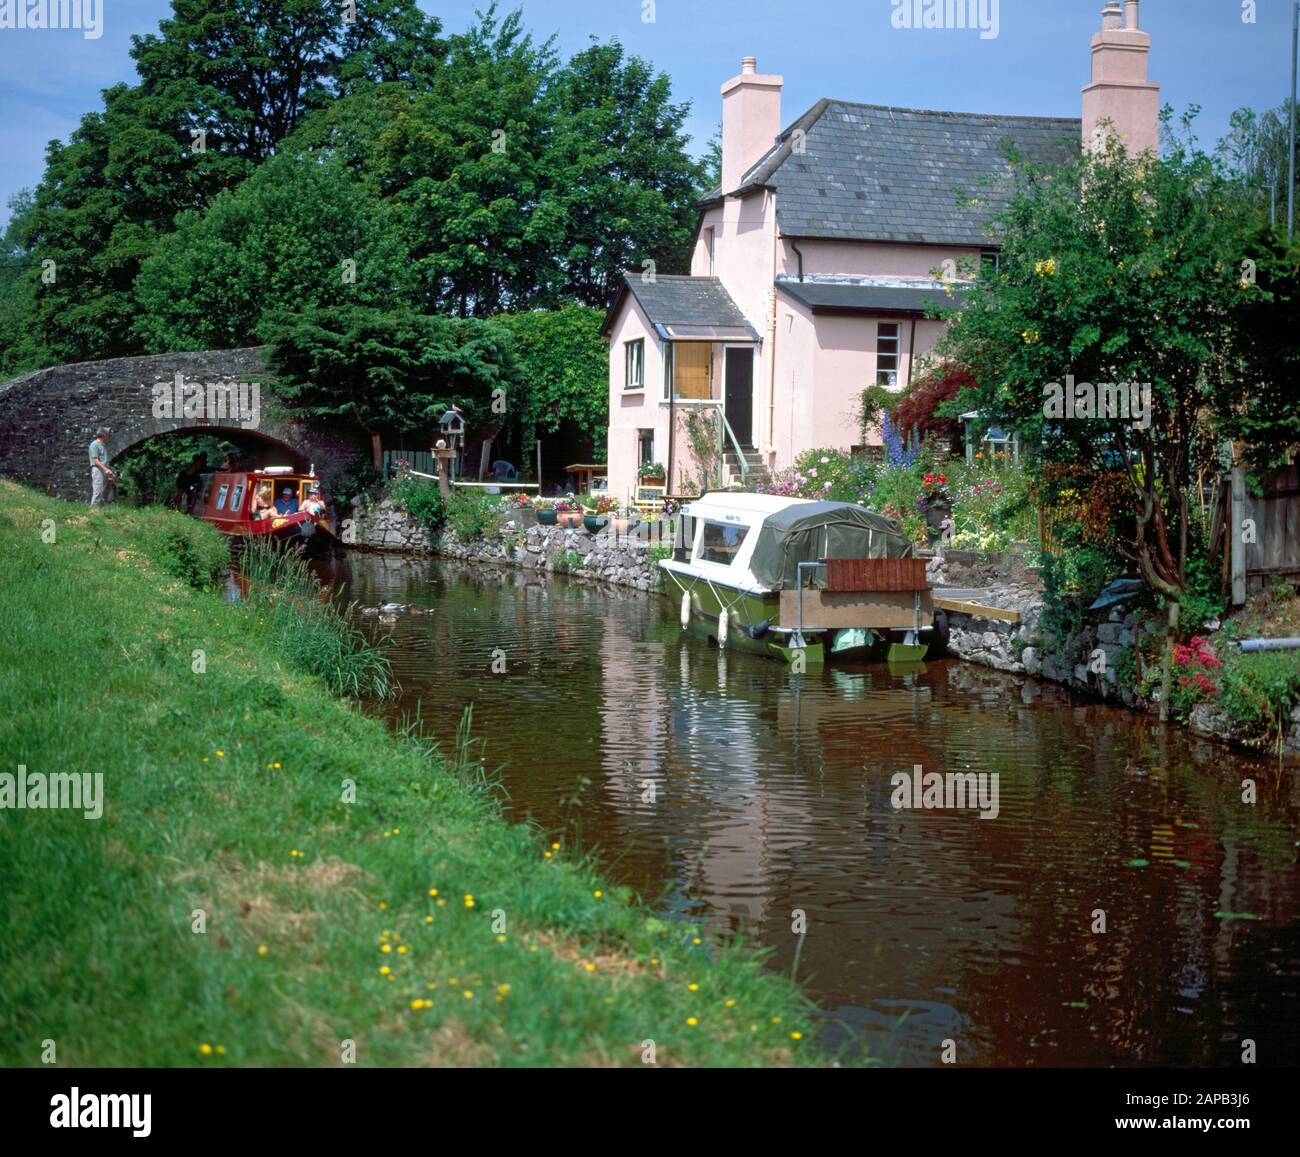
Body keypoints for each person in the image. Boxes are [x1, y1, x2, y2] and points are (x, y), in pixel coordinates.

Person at [88, 428, 116, 506]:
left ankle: (100, 510)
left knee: (105, 491)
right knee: (98, 491)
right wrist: (106, 469)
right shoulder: (94, 444)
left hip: (104, 470)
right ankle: (93, 510)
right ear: (103, 435)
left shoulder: (103, 445)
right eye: (108, 434)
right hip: (98, 470)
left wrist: (108, 470)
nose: (109, 436)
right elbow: (95, 460)